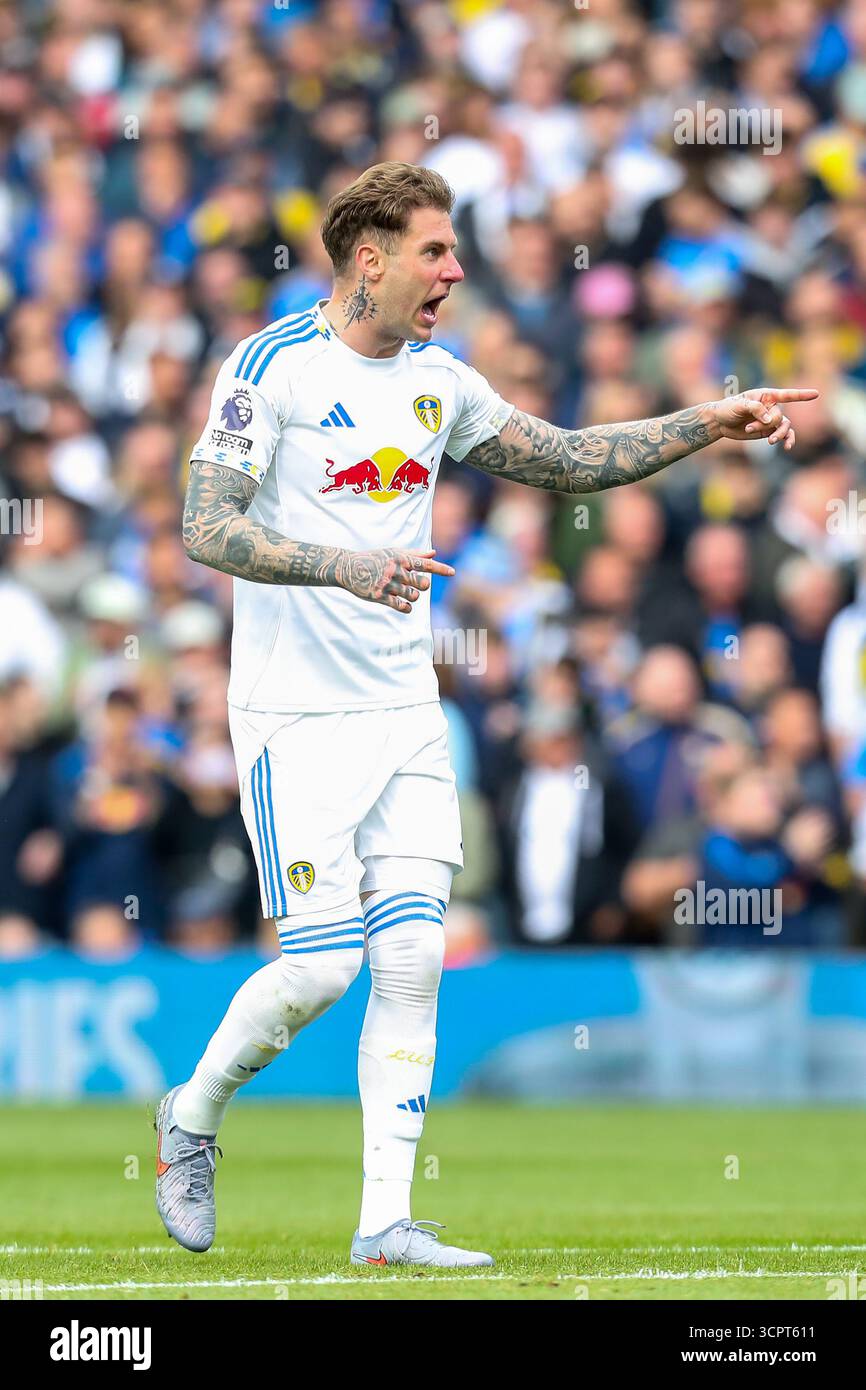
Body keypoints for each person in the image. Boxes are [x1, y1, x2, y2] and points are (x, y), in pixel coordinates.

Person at [155, 160, 816, 1267]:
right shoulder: (267, 367)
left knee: (413, 955)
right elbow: (202, 524)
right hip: (294, 713)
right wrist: (344, 565)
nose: (453, 272)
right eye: (433, 252)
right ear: (368, 258)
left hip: (407, 704)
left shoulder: (439, 380)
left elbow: (558, 459)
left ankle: (382, 1225)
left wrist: (707, 420)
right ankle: (191, 1113)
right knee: (322, 967)